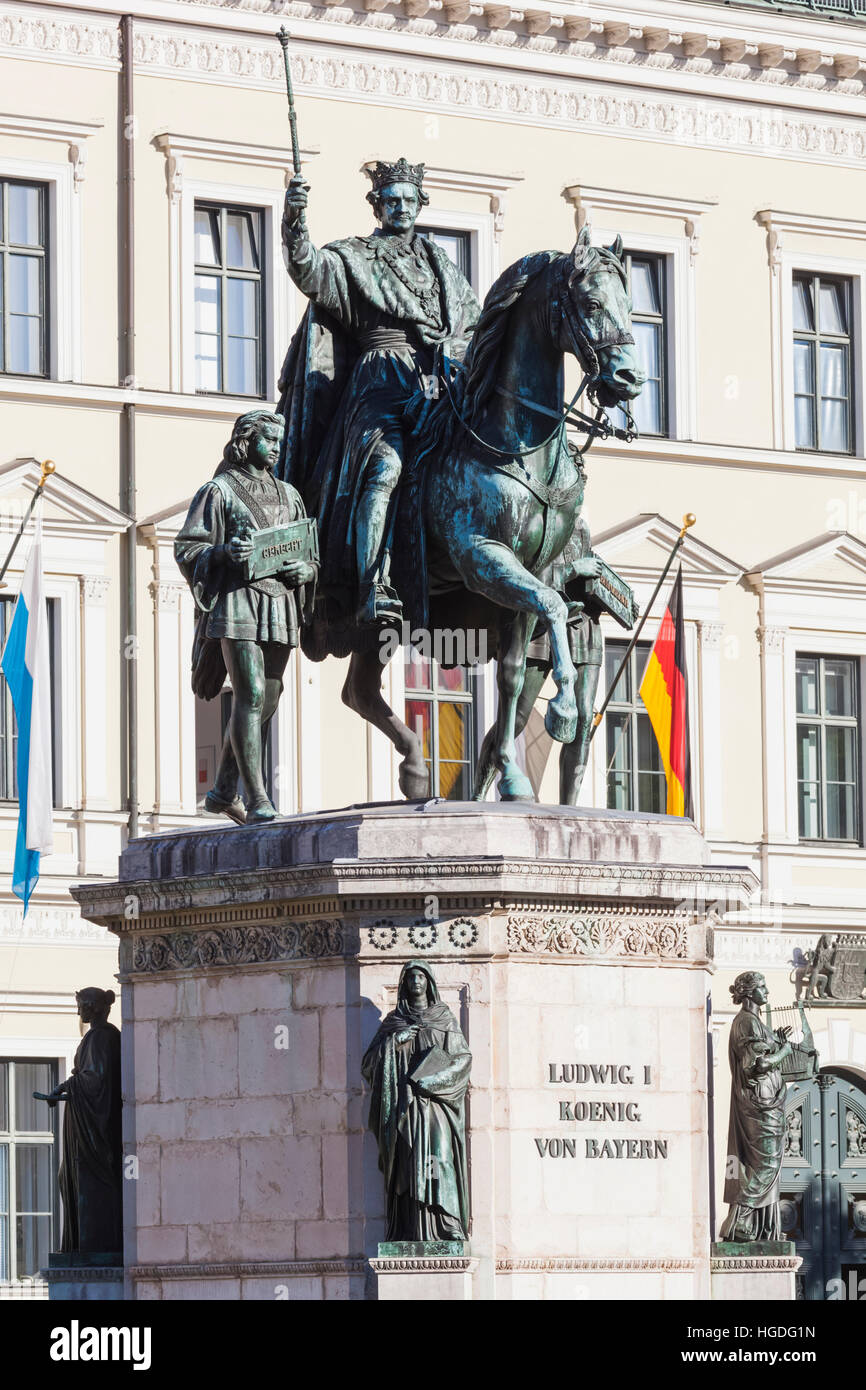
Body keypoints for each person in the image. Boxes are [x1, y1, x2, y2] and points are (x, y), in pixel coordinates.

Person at [277, 158, 479, 630]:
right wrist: (294, 220)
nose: (402, 208)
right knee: (386, 465)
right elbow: (308, 269)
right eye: (392, 201)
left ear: (420, 203)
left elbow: (473, 326)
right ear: (377, 206)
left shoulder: (441, 266)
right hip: (380, 381)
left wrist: (454, 355)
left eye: (410, 200)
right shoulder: (355, 257)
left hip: (438, 383)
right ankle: (373, 584)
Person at [175, 410, 317, 824]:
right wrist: (221, 553)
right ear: (246, 440)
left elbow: (309, 553)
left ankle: (222, 789)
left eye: (279, 441)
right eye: (268, 439)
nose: (276, 447)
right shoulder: (218, 491)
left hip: (280, 602)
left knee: (269, 699)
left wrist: (307, 571)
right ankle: (257, 798)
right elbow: (188, 547)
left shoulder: (290, 494)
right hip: (237, 602)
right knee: (250, 694)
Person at [362, 960, 471, 1243]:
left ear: (429, 982)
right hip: (405, 1109)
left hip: (435, 1107)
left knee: (439, 1158)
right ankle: (408, 1228)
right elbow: (368, 1065)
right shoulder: (393, 1023)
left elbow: (463, 1059)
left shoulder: (444, 1019)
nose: (416, 982)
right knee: (408, 1163)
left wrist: (434, 1082)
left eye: (420, 976)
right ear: (404, 985)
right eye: (410, 977)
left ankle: (446, 1222)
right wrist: (394, 1043)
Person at [37, 987, 122, 1254]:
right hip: (84, 1124)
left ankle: (92, 1248)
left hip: (93, 1131)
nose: (77, 1011)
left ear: (95, 1007)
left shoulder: (101, 1038)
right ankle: (81, 1247)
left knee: (83, 1183)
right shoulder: (99, 1037)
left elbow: (95, 1081)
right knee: (67, 1179)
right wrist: (65, 1087)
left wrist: (65, 1087)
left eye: (81, 1006)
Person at [719, 970, 792, 1243]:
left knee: (764, 1163)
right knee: (766, 1163)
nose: (768, 992)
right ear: (749, 992)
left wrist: (778, 1042)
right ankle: (737, 1222)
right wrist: (783, 1051)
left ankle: (763, 1228)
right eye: (763, 986)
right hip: (759, 1105)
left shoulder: (755, 1022)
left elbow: (765, 1056)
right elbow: (757, 1065)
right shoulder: (746, 1023)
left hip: (767, 1102)